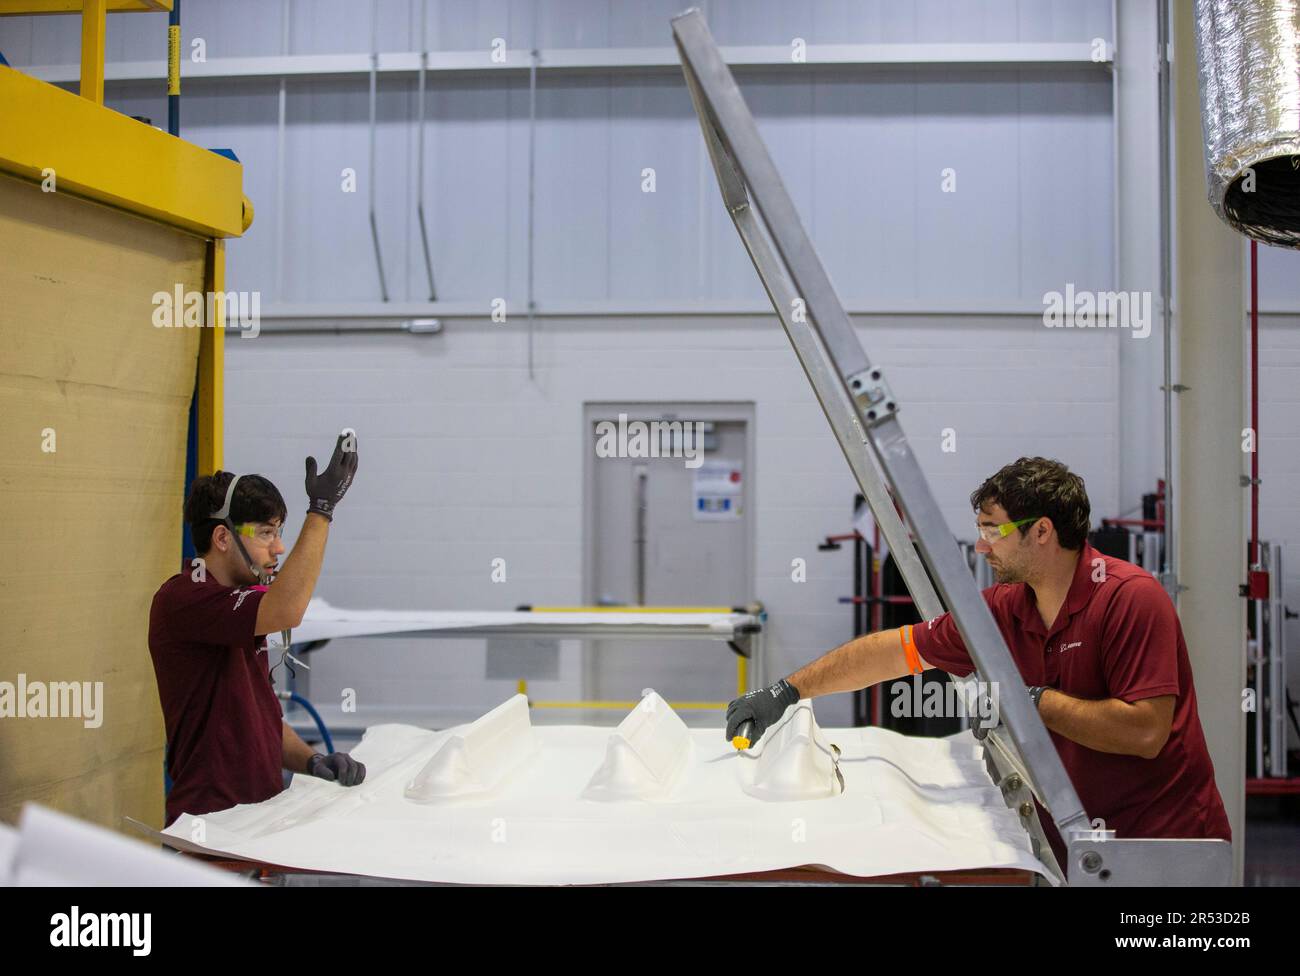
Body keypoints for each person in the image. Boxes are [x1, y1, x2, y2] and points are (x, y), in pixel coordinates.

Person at [726, 456, 1230, 862]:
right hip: (1076, 845)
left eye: (993, 530)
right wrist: (787, 691)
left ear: (1042, 532)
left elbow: (1144, 732)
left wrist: (1031, 703)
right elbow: (894, 651)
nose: (982, 544)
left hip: (1165, 847)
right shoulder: (1005, 607)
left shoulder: (1129, 599)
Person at [148, 431, 363, 826]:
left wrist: (313, 761)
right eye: (266, 532)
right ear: (222, 537)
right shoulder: (185, 598)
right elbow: (287, 608)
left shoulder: (242, 604)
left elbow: (260, 722)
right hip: (211, 829)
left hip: (255, 823)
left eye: (279, 531)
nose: (278, 547)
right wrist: (321, 508)